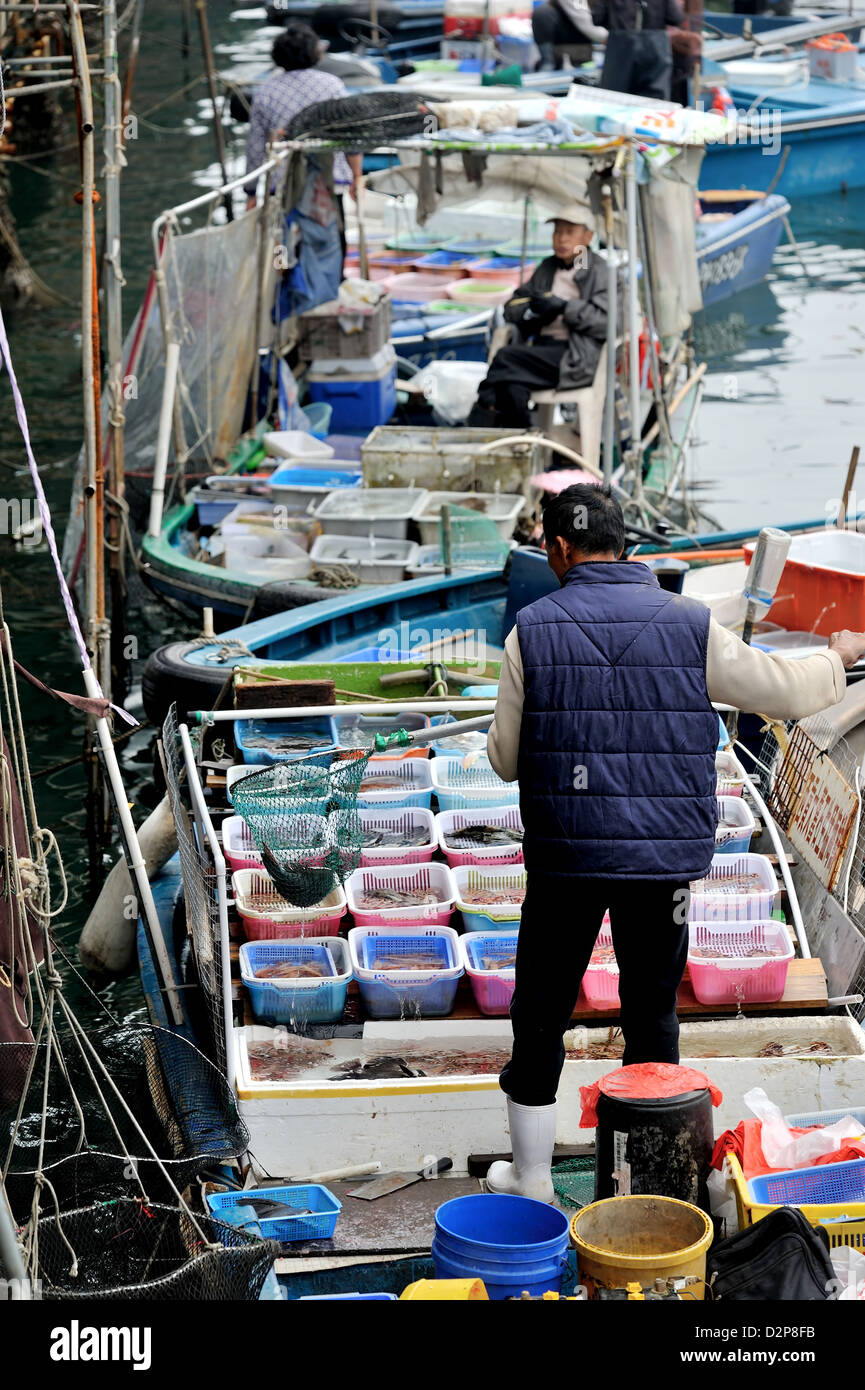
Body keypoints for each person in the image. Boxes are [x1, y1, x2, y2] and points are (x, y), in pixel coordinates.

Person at [484, 483, 865, 1202]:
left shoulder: (527, 630)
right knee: (650, 1010)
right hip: (660, 863)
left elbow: (504, 760)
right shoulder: (690, 623)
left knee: (539, 1013)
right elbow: (781, 690)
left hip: (566, 861)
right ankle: (651, 1187)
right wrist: (836, 656)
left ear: (559, 551)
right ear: (624, 544)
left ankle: (530, 1179)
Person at [466, 205, 607, 432]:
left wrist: (564, 308)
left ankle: (479, 422)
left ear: (588, 237)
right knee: (511, 386)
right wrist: (532, 311)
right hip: (540, 352)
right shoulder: (548, 267)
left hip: (575, 355)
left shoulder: (595, 269)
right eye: (557, 232)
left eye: (569, 232)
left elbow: (607, 322)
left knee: (505, 358)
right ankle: (526, 442)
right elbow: (513, 306)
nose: (561, 239)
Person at [243, 21, 362, 221]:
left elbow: (255, 147)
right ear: (314, 52)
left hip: (283, 182)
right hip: (329, 178)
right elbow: (350, 135)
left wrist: (251, 192)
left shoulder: (265, 92)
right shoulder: (332, 85)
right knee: (330, 239)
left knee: (286, 241)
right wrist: (357, 176)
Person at [593, 0, 701, 102]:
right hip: (654, 47)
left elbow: (597, 18)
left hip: (620, 48)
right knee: (655, 103)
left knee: (613, 100)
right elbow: (676, 18)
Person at [531, 0, 608, 72]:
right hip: (567, 42)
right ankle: (548, 65)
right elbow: (587, 27)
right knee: (542, 12)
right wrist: (612, 38)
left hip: (584, 40)